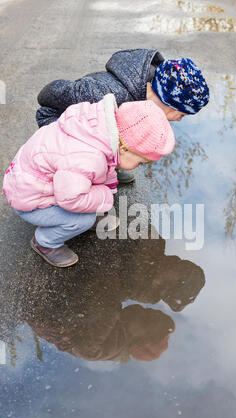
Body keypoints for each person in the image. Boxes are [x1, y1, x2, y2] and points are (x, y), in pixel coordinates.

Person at [2, 94, 175, 268]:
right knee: (81, 219)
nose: (139, 166)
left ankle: (85, 215)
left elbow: (105, 168)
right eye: (140, 162)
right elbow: (70, 199)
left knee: (88, 195)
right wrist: (105, 197)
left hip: (32, 181)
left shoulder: (98, 130)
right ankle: (46, 243)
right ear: (123, 147)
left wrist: (107, 188)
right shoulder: (87, 159)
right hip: (29, 200)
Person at [36, 49, 210, 183]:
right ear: (170, 103)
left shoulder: (144, 92)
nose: (178, 120)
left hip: (95, 133)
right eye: (181, 115)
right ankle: (77, 182)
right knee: (85, 165)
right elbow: (48, 95)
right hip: (60, 126)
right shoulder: (106, 95)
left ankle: (111, 165)